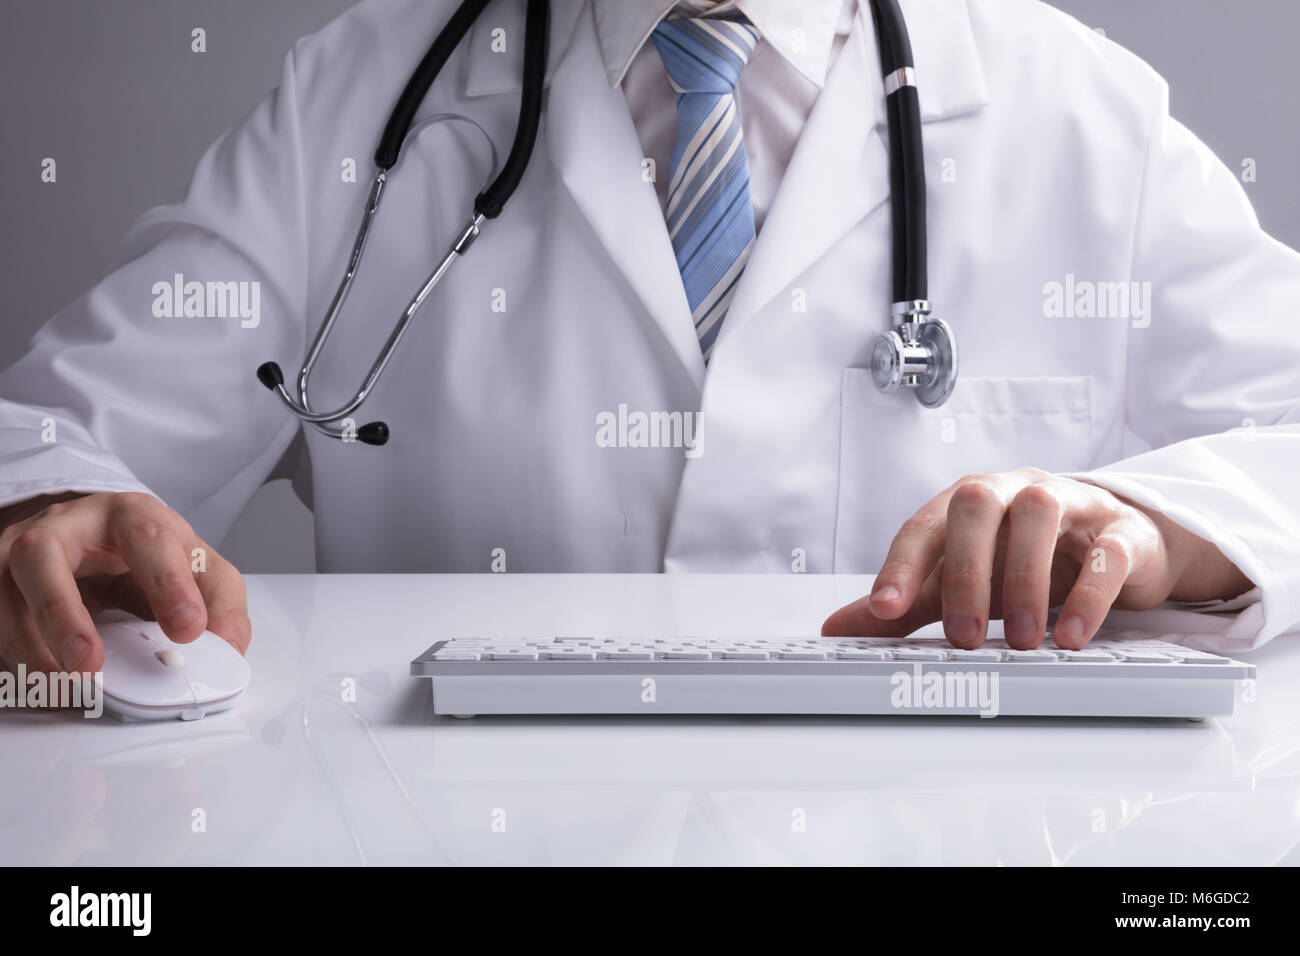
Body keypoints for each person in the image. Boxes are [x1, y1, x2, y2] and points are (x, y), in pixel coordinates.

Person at [1, 0, 1297, 681]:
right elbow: (55, 435)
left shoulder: (1075, 114)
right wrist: (52, 509)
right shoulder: (361, 101)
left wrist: (1164, 522)